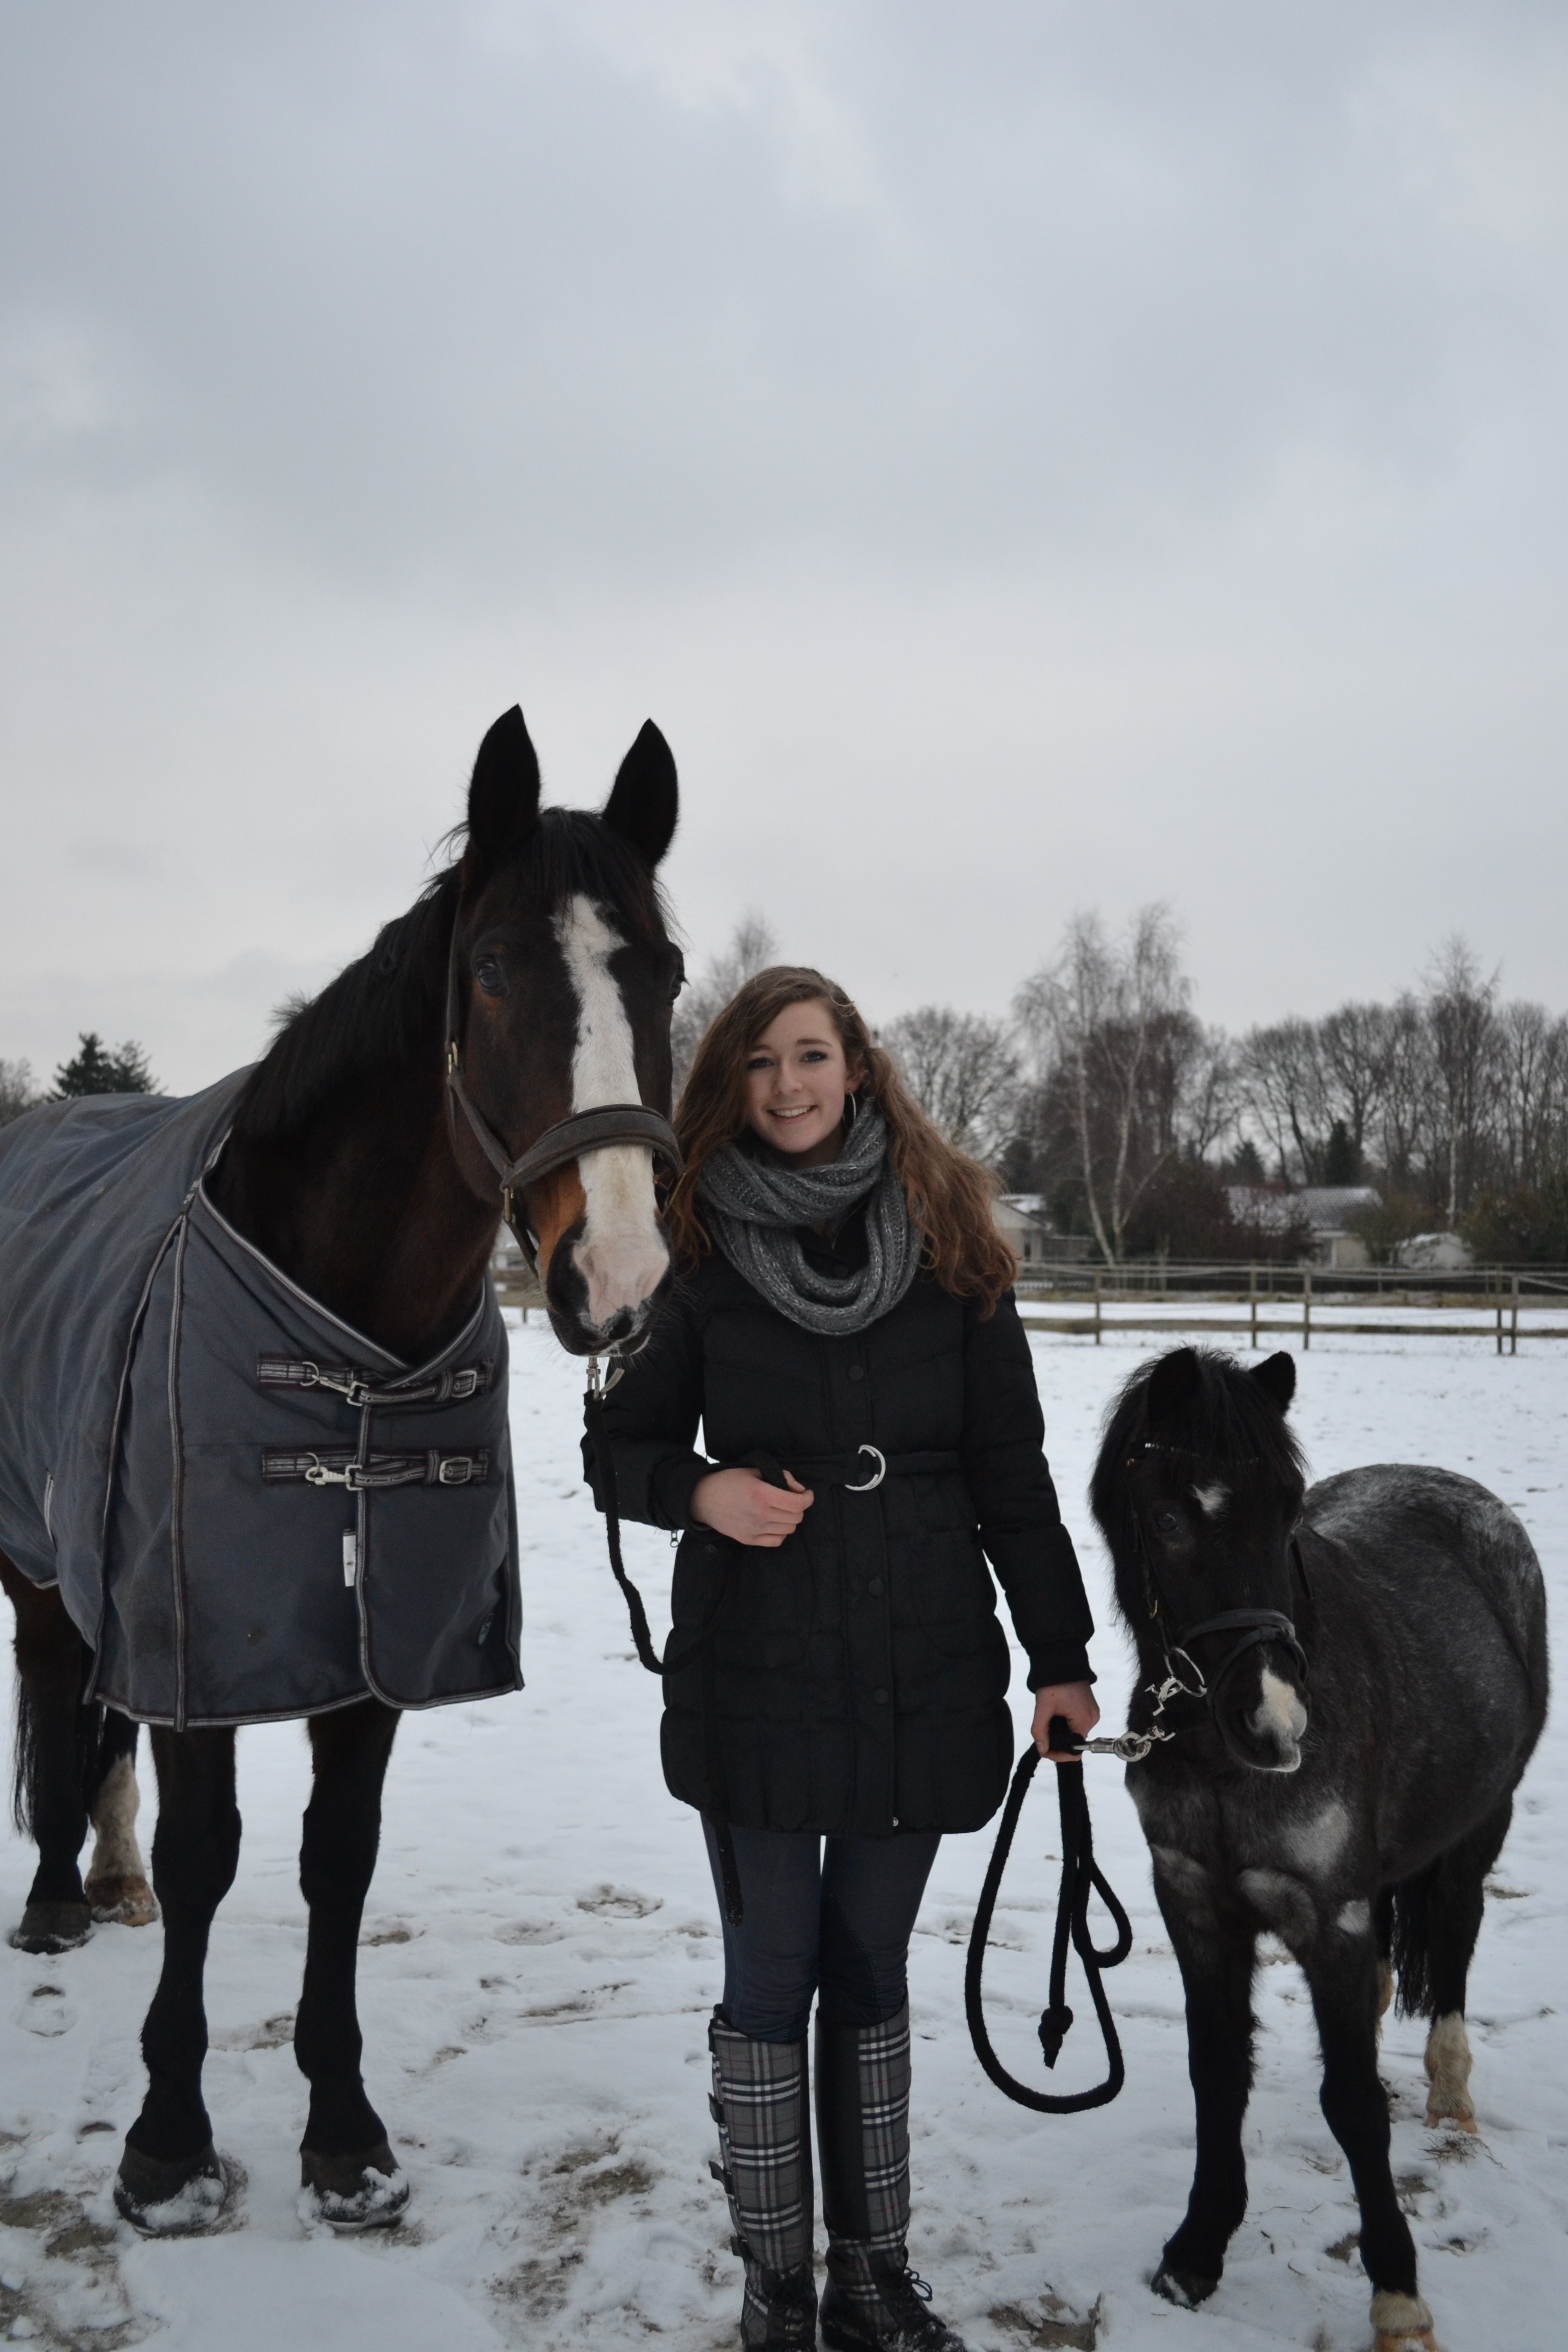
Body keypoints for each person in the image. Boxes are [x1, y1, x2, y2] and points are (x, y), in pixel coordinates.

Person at [584, 967, 1099, 2352]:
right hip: (756, 1667)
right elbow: (615, 1448)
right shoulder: (694, 1254)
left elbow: (1013, 1476)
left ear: (859, 1068)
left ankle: (872, 2271)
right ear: (732, 1087)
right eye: (759, 1064)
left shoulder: (953, 1246)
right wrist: (701, 1495)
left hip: (920, 1663)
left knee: (870, 1968)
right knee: (773, 1976)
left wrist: (1062, 1658)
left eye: (811, 1056)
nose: (787, 1085)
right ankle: (777, 2285)